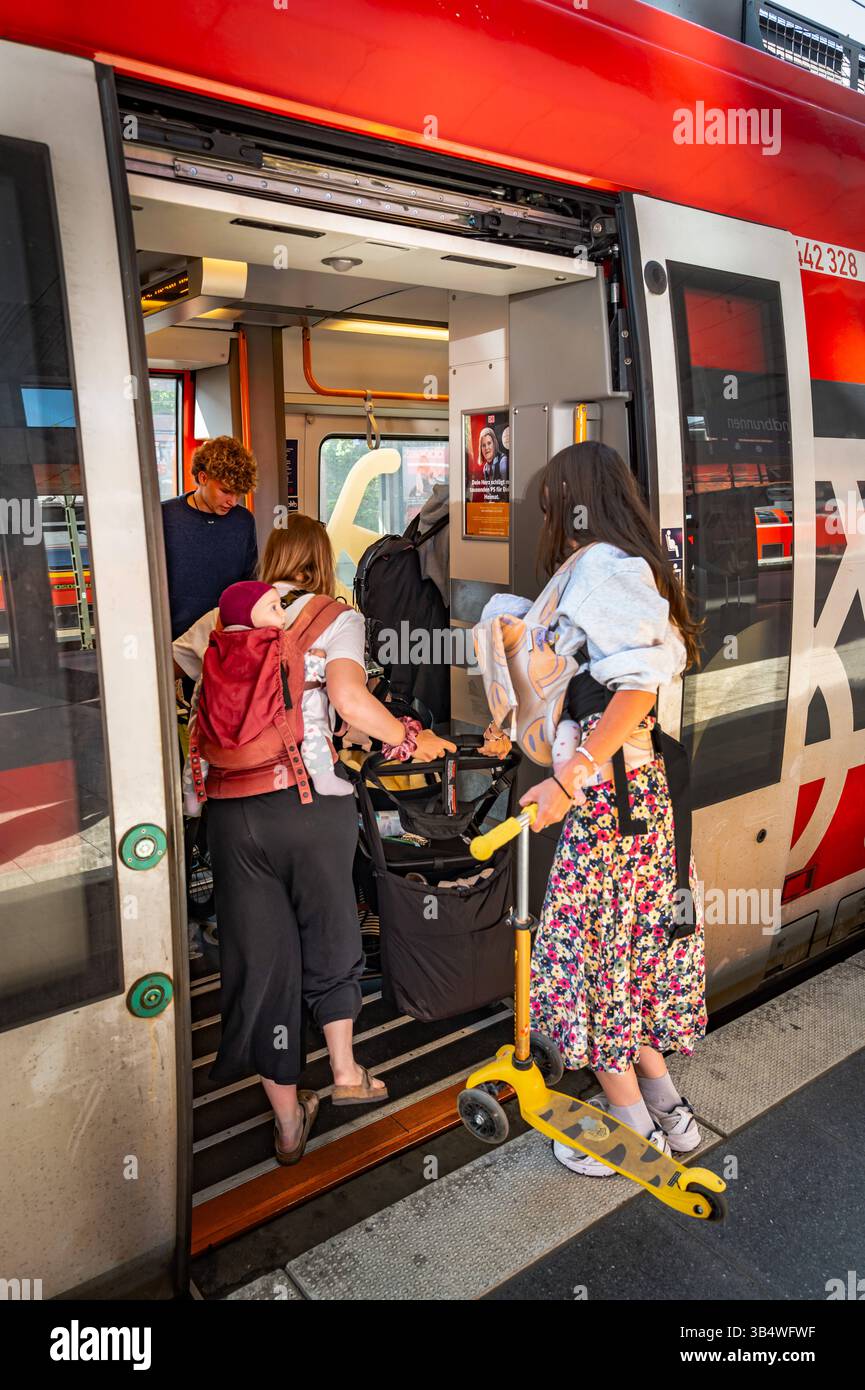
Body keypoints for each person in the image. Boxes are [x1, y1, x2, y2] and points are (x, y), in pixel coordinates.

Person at [195, 516, 456, 1165]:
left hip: (230, 812)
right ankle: (343, 1072)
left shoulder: (223, 618)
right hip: (310, 806)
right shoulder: (333, 616)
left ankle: (286, 1122)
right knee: (330, 929)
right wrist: (406, 737)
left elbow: (191, 679)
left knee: (259, 960)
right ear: (319, 561)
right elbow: (349, 699)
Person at [480, 441, 706, 1176]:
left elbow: (635, 686)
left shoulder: (604, 567)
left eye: (549, 498)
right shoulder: (617, 566)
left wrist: (569, 776)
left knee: (591, 970)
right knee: (628, 963)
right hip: (637, 800)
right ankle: (672, 1115)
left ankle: (631, 1134)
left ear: (569, 501)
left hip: (611, 804)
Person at [162, 436, 259, 642]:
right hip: (173, 641)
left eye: (238, 494)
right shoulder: (165, 516)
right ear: (203, 477)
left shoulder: (243, 522)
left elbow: (248, 582)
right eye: (225, 491)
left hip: (225, 640)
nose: (232, 501)